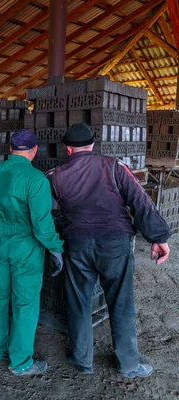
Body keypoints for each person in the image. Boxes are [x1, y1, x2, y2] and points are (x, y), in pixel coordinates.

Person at [47, 123, 171, 379]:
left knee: (78, 302)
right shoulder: (113, 166)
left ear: (68, 149)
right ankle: (128, 364)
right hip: (115, 243)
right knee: (121, 302)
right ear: (93, 145)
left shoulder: (54, 176)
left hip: (78, 243)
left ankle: (81, 359)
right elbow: (140, 201)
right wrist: (158, 237)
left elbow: (42, 209)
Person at [0, 129, 64, 376]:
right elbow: (41, 224)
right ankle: (20, 362)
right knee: (25, 303)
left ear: (10, 149)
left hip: (0, 241)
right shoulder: (36, 179)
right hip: (25, 248)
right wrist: (56, 248)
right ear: (35, 150)